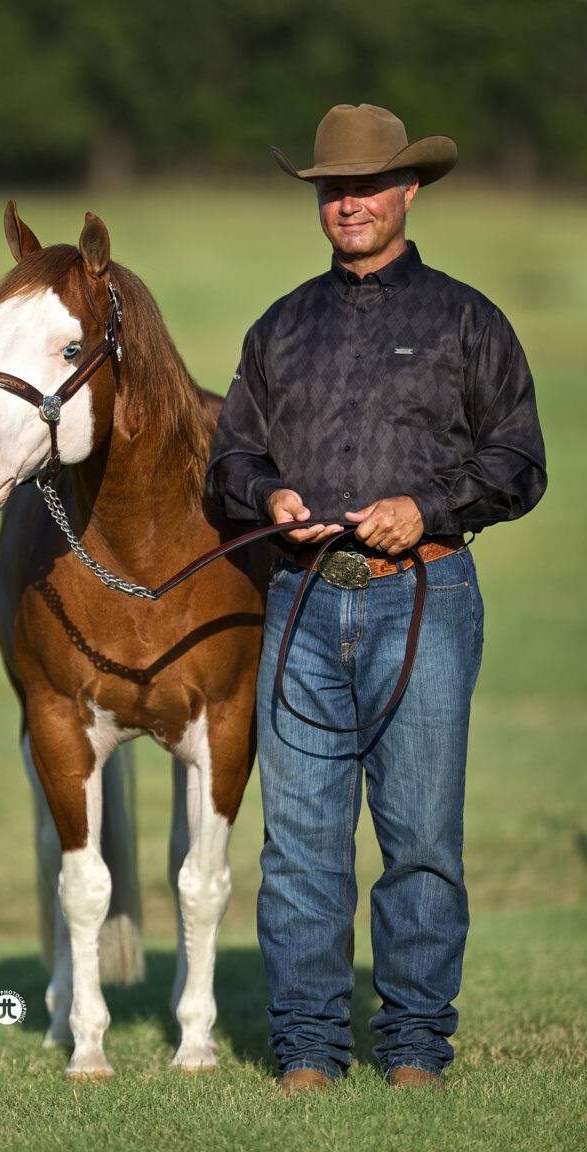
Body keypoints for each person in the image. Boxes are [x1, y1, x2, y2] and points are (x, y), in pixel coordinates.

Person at [205, 103, 546, 1093]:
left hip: (425, 599)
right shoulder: (280, 326)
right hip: (302, 605)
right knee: (298, 847)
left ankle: (414, 1050)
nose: (348, 204)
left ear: (408, 190)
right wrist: (268, 497)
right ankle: (309, 1050)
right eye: (332, 190)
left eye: (366, 187)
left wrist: (426, 507)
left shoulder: (469, 320)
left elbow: (520, 462)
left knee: (422, 841)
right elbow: (230, 460)